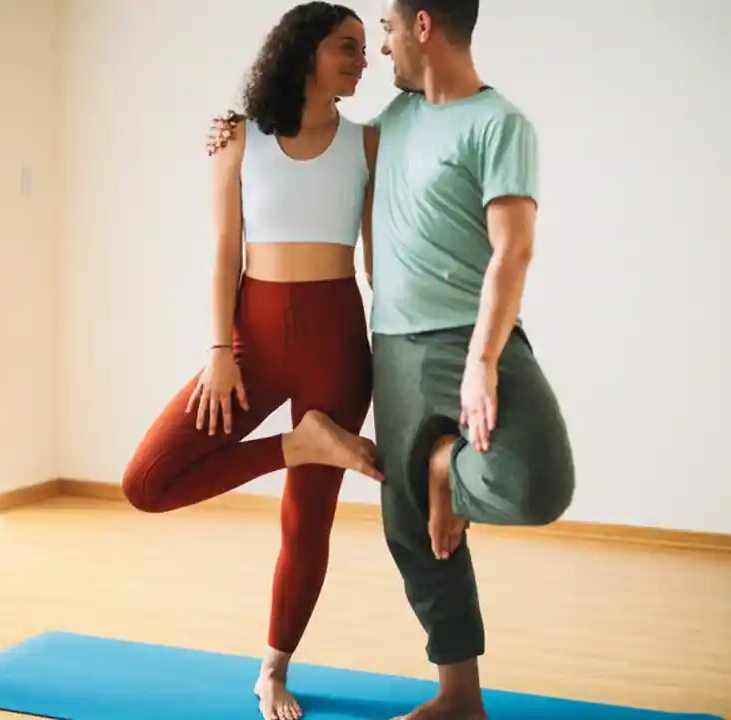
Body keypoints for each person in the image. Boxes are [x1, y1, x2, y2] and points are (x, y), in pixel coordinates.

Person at [208, 2, 576, 718]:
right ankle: (460, 696)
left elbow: (515, 249)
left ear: (424, 26)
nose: (378, 48)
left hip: (475, 338)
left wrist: (485, 358)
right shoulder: (389, 127)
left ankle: (445, 469)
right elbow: (310, 141)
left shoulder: (499, 124)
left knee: (537, 484)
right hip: (393, 341)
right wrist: (231, 128)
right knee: (408, 523)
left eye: (385, 29)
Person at [121, 3, 383, 719]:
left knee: (307, 523)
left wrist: (400, 365)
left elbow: (376, 262)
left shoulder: (369, 143)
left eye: (365, 48)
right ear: (304, 51)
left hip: (336, 340)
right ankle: (295, 448)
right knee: (147, 482)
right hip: (253, 341)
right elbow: (223, 249)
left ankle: (274, 669)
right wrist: (218, 351)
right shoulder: (239, 136)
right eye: (347, 47)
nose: (363, 60)